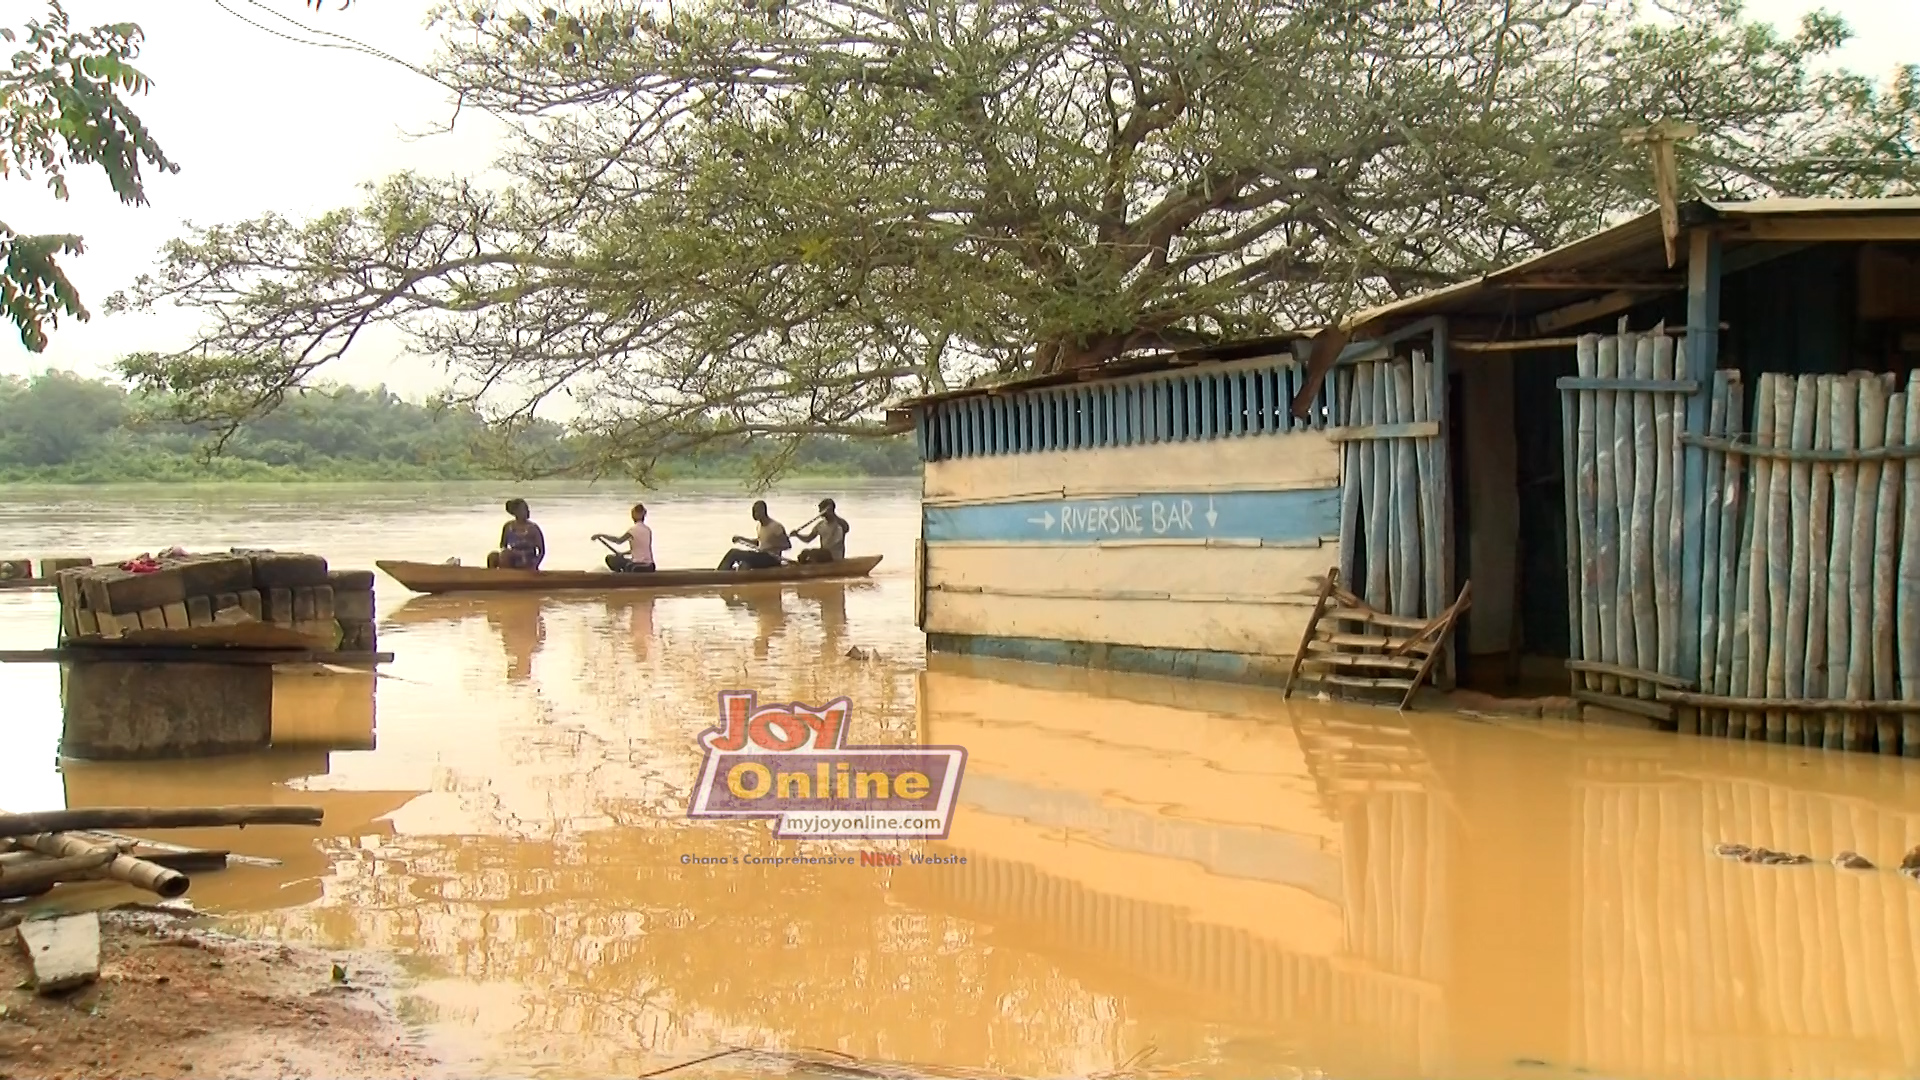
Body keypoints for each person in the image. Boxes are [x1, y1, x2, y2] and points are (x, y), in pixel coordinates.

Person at [717, 500, 790, 570]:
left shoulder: (775, 526)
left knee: (734, 553)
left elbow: (787, 545)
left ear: (763, 511)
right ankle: (724, 573)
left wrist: (771, 548)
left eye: (756, 511)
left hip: (772, 559)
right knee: (744, 564)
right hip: (761, 556)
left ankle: (718, 574)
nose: (754, 514)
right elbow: (758, 542)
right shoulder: (759, 526)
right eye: (754, 511)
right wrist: (741, 539)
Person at [594, 503, 656, 573]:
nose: (632, 516)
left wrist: (601, 535)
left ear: (637, 514)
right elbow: (638, 549)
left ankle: (620, 577)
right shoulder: (647, 530)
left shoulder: (633, 530)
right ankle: (621, 575)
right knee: (619, 560)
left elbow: (618, 541)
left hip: (639, 565)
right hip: (650, 565)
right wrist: (623, 554)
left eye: (633, 513)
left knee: (610, 559)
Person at [487, 498, 546, 570]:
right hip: (511, 556)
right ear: (515, 512)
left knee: (507, 555)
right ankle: (495, 577)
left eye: (526, 509)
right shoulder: (508, 526)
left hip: (526, 558)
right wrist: (508, 553)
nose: (527, 511)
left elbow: (541, 551)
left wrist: (535, 565)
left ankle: (508, 575)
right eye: (523, 510)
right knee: (493, 556)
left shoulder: (533, 528)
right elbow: (503, 545)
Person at [793, 498, 849, 564]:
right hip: (823, 554)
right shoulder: (820, 525)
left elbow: (846, 528)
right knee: (805, 553)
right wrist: (797, 535)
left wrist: (832, 514)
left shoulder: (840, 523)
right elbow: (808, 539)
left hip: (835, 556)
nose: (820, 512)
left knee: (814, 552)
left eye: (821, 510)